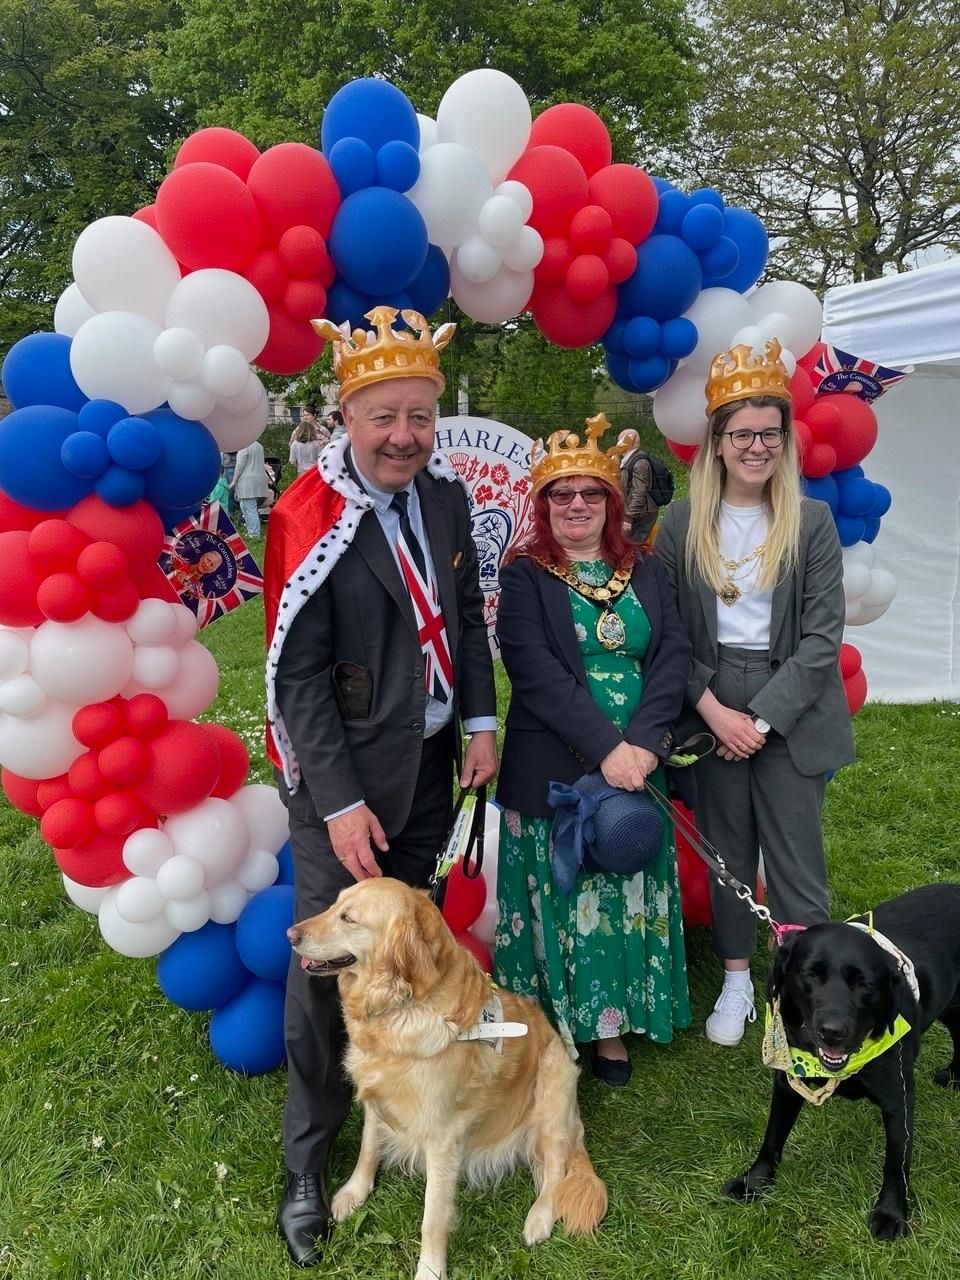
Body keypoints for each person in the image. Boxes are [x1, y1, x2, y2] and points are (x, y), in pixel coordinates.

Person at [263, 305, 498, 1268]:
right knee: (328, 975)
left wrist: (480, 720)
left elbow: (468, 620)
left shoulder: (445, 502)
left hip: (433, 775)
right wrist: (339, 800)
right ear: (348, 414)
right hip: (343, 794)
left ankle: (411, 1102)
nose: (404, 436)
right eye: (384, 417)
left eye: (420, 417)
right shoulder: (303, 517)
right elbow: (295, 677)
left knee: (415, 954)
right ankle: (308, 1161)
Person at [655, 339, 855, 1048]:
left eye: (770, 432)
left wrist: (761, 720)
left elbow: (821, 640)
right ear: (716, 442)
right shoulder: (681, 525)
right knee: (727, 851)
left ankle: (809, 987)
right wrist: (712, 712)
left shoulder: (813, 523)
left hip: (787, 701)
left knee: (797, 855)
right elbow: (669, 632)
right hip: (711, 696)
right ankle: (739, 978)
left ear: (785, 440)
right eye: (742, 433)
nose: (757, 446)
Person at [494, 413, 693, 1088]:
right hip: (554, 761)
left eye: (591, 493)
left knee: (621, 881)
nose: (576, 505)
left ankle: (612, 1029)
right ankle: (549, 1021)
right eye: (561, 494)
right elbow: (533, 670)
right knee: (563, 889)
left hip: (640, 757)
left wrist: (642, 746)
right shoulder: (523, 574)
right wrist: (607, 748)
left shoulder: (647, 567)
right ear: (542, 505)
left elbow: (671, 657)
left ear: (612, 502)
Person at [618, 429, 675, 545]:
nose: (617, 444)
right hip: (638, 512)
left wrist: (629, 518)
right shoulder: (629, 460)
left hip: (642, 514)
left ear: (629, 441)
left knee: (634, 547)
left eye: (620, 440)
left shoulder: (640, 463)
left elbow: (639, 492)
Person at [229, 439, 268, 538]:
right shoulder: (258, 445)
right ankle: (251, 531)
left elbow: (240, 465)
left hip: (247, 481)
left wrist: (234, 480)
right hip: (259, 480)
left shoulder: (244, 446)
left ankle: (254, 534)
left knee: (250, 508)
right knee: (246, 507)